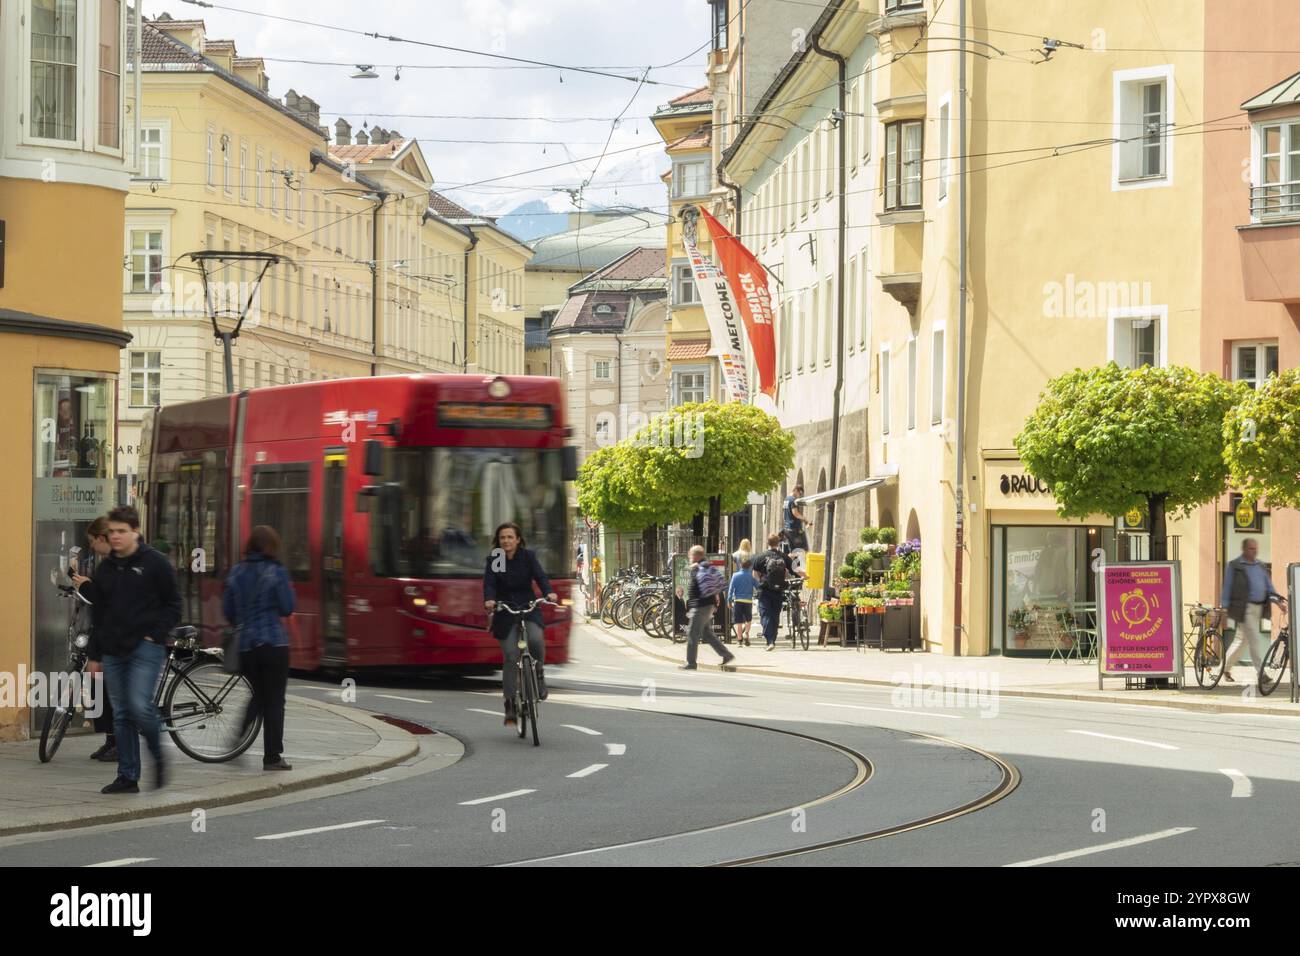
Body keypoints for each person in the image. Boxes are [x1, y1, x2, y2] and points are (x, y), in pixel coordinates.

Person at [72, 506, 179, 794]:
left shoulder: (155, 563)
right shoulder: (106, 569)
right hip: (113, 650)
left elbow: (173, 605)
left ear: (136, 532)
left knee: (139, 707)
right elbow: (100, 615)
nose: (116, 537)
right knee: (121, 714)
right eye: (112, 532)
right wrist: (95, 656)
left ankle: (159, 757)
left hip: (145, 648)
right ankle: (128, 777)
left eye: (122, 531)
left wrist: (153, 636)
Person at [223, 525, 296, 771]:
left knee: (259, 695)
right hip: (274, 644)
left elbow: (228, 612)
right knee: (274, 700)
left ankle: (238, 737)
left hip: (246, 647)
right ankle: (272, 757)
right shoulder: (277, 572)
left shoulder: (235, 572)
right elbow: (287, 607)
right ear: (272, 547)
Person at [483, 522, 556, 726]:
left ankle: (539, 675)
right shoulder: (497, 558)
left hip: (529, 606)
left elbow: (540, 577)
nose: (506, 541)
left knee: (535, 639)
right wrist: (489, 599)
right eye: (502, 538)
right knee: (510, 655)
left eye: (509, 537)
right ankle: (509, 703)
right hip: (505, 609)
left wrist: (548, 592)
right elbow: (490, 582)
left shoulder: (527, 557)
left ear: (518, 539)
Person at [1220, 538, 1288, 684]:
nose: (1254, 551)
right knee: (1254, 640)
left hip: (1258, 608)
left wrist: (1278, 602)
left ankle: (1223, 668)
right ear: (1244, 549)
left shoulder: (1260, 566)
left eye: (1256, 548)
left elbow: (1268, 587)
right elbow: (1227, 588)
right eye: (1251, 548)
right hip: (1244, 609)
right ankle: (1261, 673)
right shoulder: (1235, 566)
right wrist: (1224, 611)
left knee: (1241, 640)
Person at [79, 518, 116, 762]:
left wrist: (86, 586)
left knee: (110, 693)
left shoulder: (116, 565)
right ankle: (111, 740)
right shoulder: (107, 565)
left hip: (117, 640)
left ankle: (120, 744)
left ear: (102, 539)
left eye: (93, 542)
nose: (92, 547)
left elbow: (107, 602)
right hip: (106, 637)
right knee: (99, 688)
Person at [680, 545, 735, 671]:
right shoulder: (706, 565)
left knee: (692, 634)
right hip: (706, 604)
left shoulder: (700, 566)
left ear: (696, 555)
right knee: (707, 633)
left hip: (701, 605)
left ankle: (691, 663)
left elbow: (700, 586)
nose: (689, 558)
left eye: (690, 555)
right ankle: (726, 654)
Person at [753, 533, 795, 651]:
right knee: (775, 615)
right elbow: (794, 569)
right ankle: (773, 639)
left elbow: (755, 574)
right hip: (779, 590)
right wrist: (806, 575)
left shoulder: (760, 557)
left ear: (768, 543)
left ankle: (770, 641)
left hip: (765, 590)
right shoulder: (783, 556)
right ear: (778, 543)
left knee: (765, 614)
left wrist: (759, 584)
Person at [728, 557, 755, 647]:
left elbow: (731, 589)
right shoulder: (751, 576)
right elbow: (758, 586)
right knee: (748, 619)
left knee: (738, 621)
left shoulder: (735, 575)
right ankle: (746, 633)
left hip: (738, 600)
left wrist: (729, 600)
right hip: (748, 601)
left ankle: (739, 639)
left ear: (740, 565)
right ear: (749, 566)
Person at [783, 485, 811, 552]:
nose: (799, 496)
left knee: (792, 550)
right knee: (804, 549)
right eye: (800, 493)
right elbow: (795, 513)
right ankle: (802, 562)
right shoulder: (793, 500)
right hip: (794, 529)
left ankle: (792, 562)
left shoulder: (786, 499)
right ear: (795, 490)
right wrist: (805, 519)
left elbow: (784, 514)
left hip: (787, 529)